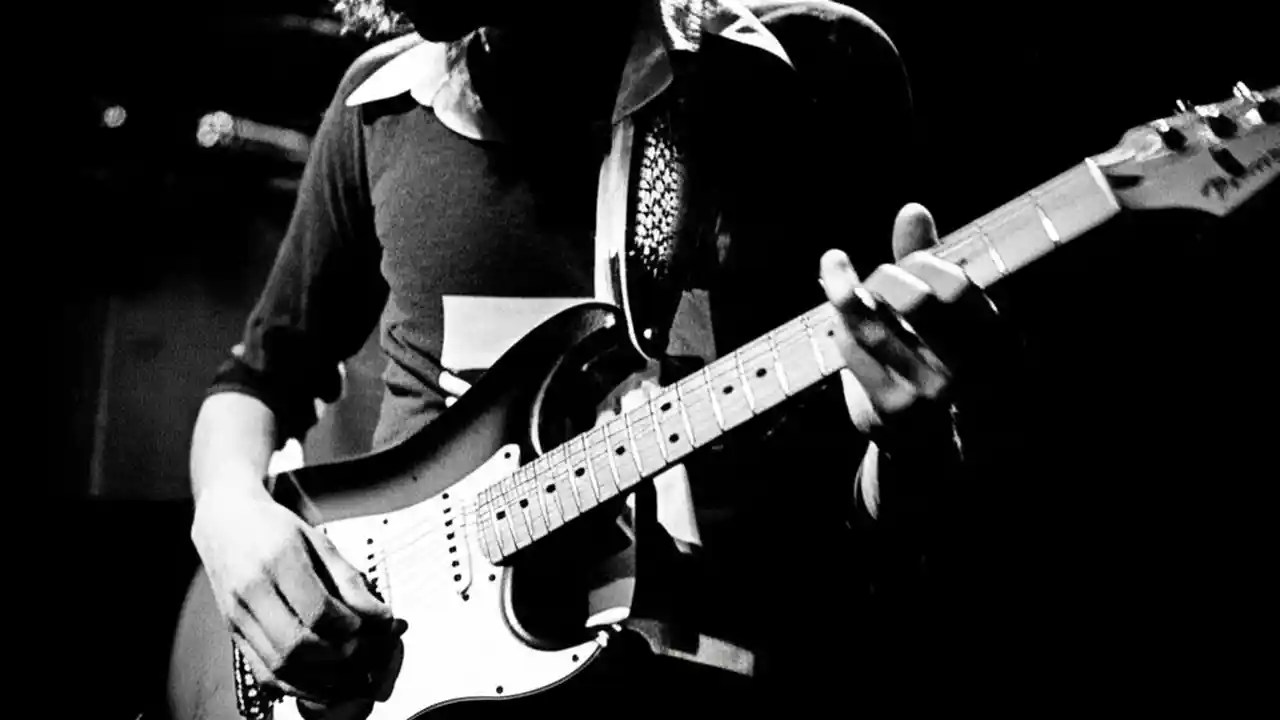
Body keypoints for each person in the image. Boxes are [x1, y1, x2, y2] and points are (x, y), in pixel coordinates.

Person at [188, 0, 1013, 714]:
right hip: (401, 675)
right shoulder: (380, 106)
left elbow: (893, 539)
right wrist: (227, 513)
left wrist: (913, 442)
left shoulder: (795, 79)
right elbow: (257, 381)